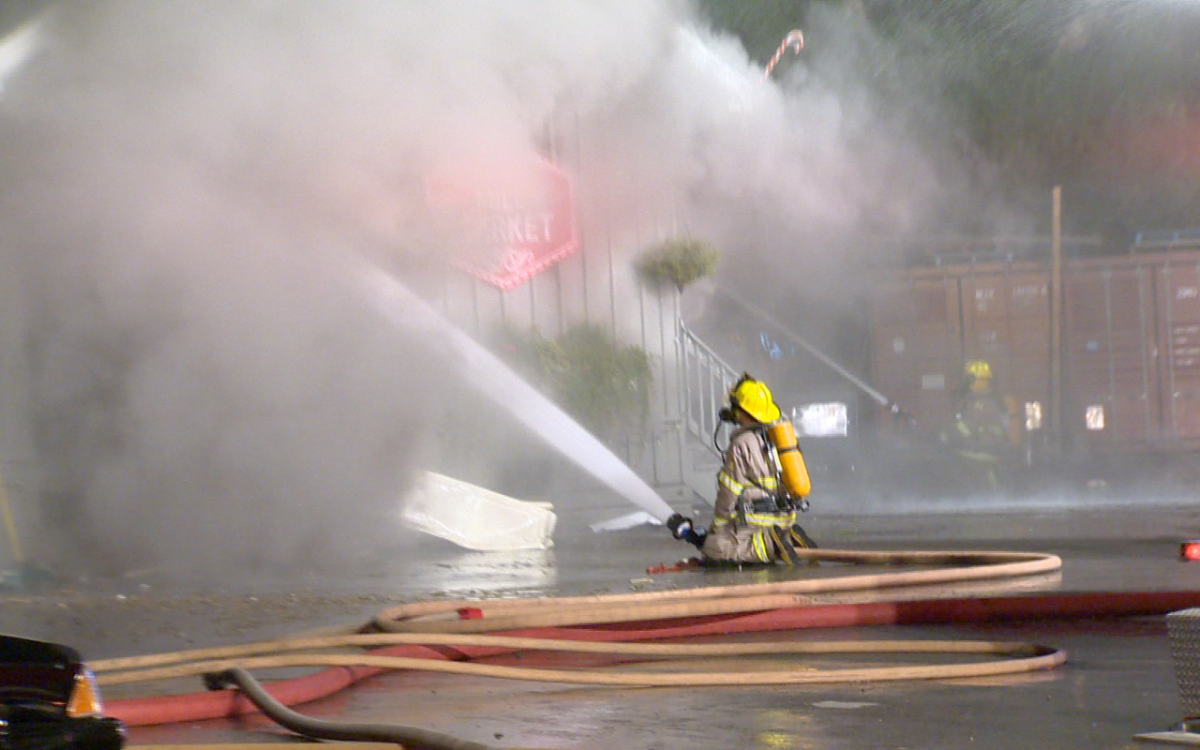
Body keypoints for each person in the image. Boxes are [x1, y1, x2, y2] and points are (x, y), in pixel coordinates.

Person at [666, 373, 816, 565]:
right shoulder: (776, 437)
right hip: (784, 519)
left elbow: (729, 491)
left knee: (715, 549)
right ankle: (788, 537)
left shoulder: (741, 443)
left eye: (735, 408)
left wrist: (717, 528)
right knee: (728, 538)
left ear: (743, 411)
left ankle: (770, 544)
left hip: (758, 524)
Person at [940, 360, 1016, 490]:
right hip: (982, 460)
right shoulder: (985, 402)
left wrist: (943, 435)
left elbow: (965, 428)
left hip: (979, 462)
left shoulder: (981, 405)